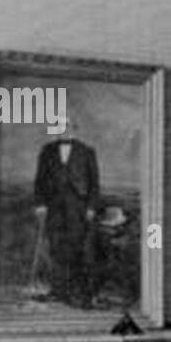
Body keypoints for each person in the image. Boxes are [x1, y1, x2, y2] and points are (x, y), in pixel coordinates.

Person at [33, 117, 100, 308]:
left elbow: (94, 184)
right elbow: (39, 180)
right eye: (61, 127)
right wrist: (40, 204)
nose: (65, 130)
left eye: (68, 127)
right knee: (55, 247)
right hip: (54, 206)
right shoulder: (47, 151)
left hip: (77, 207)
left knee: (76, 248)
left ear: (74, 129)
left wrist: (91, 207)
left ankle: (77, 291)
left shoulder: (87, 151)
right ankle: (58, 290)